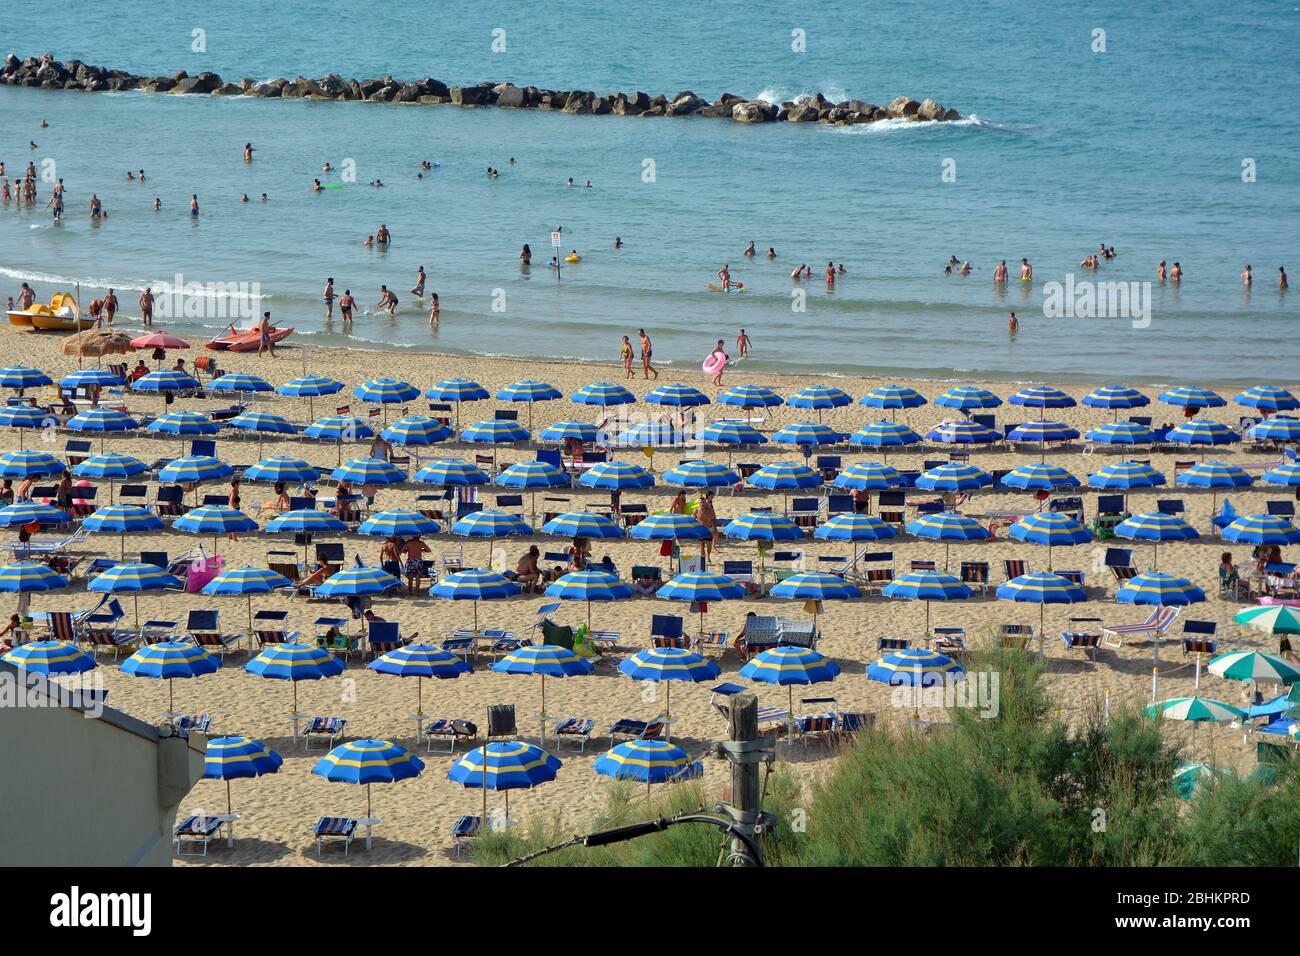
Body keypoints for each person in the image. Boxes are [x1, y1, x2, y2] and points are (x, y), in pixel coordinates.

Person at [696, 490, 719, 556]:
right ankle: (703, 557)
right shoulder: (698, 509)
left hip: (709, 527)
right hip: (702, 529)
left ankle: (710, 552)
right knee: (702, 545)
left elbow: (713, 517)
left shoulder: (709, 506)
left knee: (710, 544)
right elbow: (694, 519)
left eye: (703, 502)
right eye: (701, 502)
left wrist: (714, 526)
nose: (702, 503)